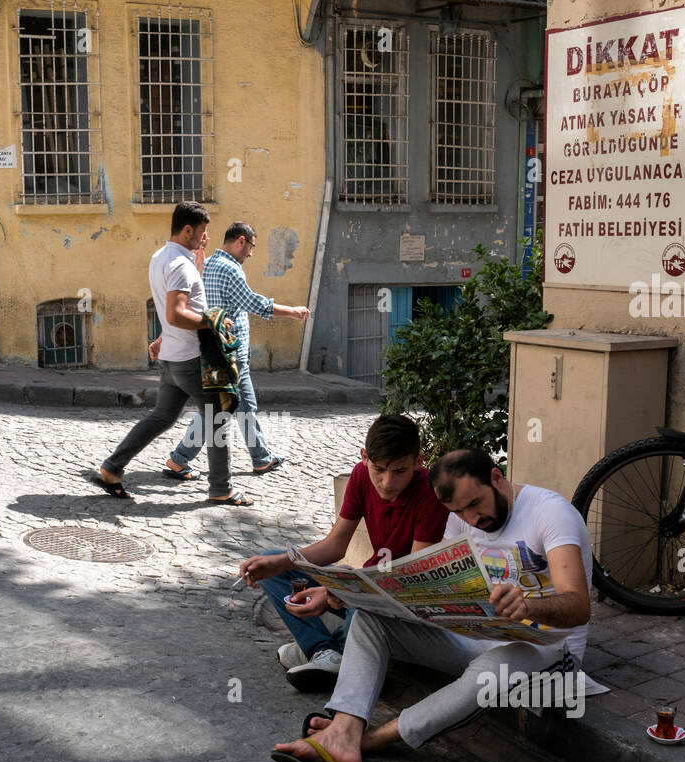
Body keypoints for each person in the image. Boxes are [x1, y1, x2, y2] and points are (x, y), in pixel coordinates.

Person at [270, 448, 593, 762]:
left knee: (488, 674)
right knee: (371, 620)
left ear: (497, 477)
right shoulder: (458, 519)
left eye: (475, 504)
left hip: (547, 646)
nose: (472, 519)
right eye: (459, 511)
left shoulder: (550, 513)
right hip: (480, 632)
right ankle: (344, 728)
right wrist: (347, 595)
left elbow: (579, 607)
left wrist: (528, 606)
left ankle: (371, 741)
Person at [238, 414, 447, 690]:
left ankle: (327, 649)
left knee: (353, 586)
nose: (386, 482)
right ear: (364, 457)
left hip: (399, 600)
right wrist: (279, 562)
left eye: (399, 471)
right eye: (379, 469)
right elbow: (335, 545)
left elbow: (414, 576)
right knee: (275, 565)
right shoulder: (360, 477)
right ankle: (326, 651)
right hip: (366, 584)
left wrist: (339, 591)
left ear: (418, 462)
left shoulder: (429, 492)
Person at [92, 202, 253, 506]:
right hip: (191, 358)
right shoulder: (180, 264)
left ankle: (112, 467)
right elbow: (178, 313)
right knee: (218, 417)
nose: (204, 237)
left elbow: (193, 292)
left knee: (162, 416)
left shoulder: (162, 257)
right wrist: (213, 320)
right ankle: (221, 488)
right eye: (201, 232)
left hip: (171, 357)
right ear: (188, 230)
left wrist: (199, 255)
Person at [153, 222, 309, 479]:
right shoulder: (230, 270)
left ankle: (185, 459)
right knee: (234, 407)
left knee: (219, 409)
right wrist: (293, 311)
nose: (251, 253)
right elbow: (255, 304)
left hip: (212, 350)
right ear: (241, 241)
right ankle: (251, 460)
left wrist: (163, 337)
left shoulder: (209, 264)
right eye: (251, 247)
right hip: (230, 353)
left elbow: (190, 307)